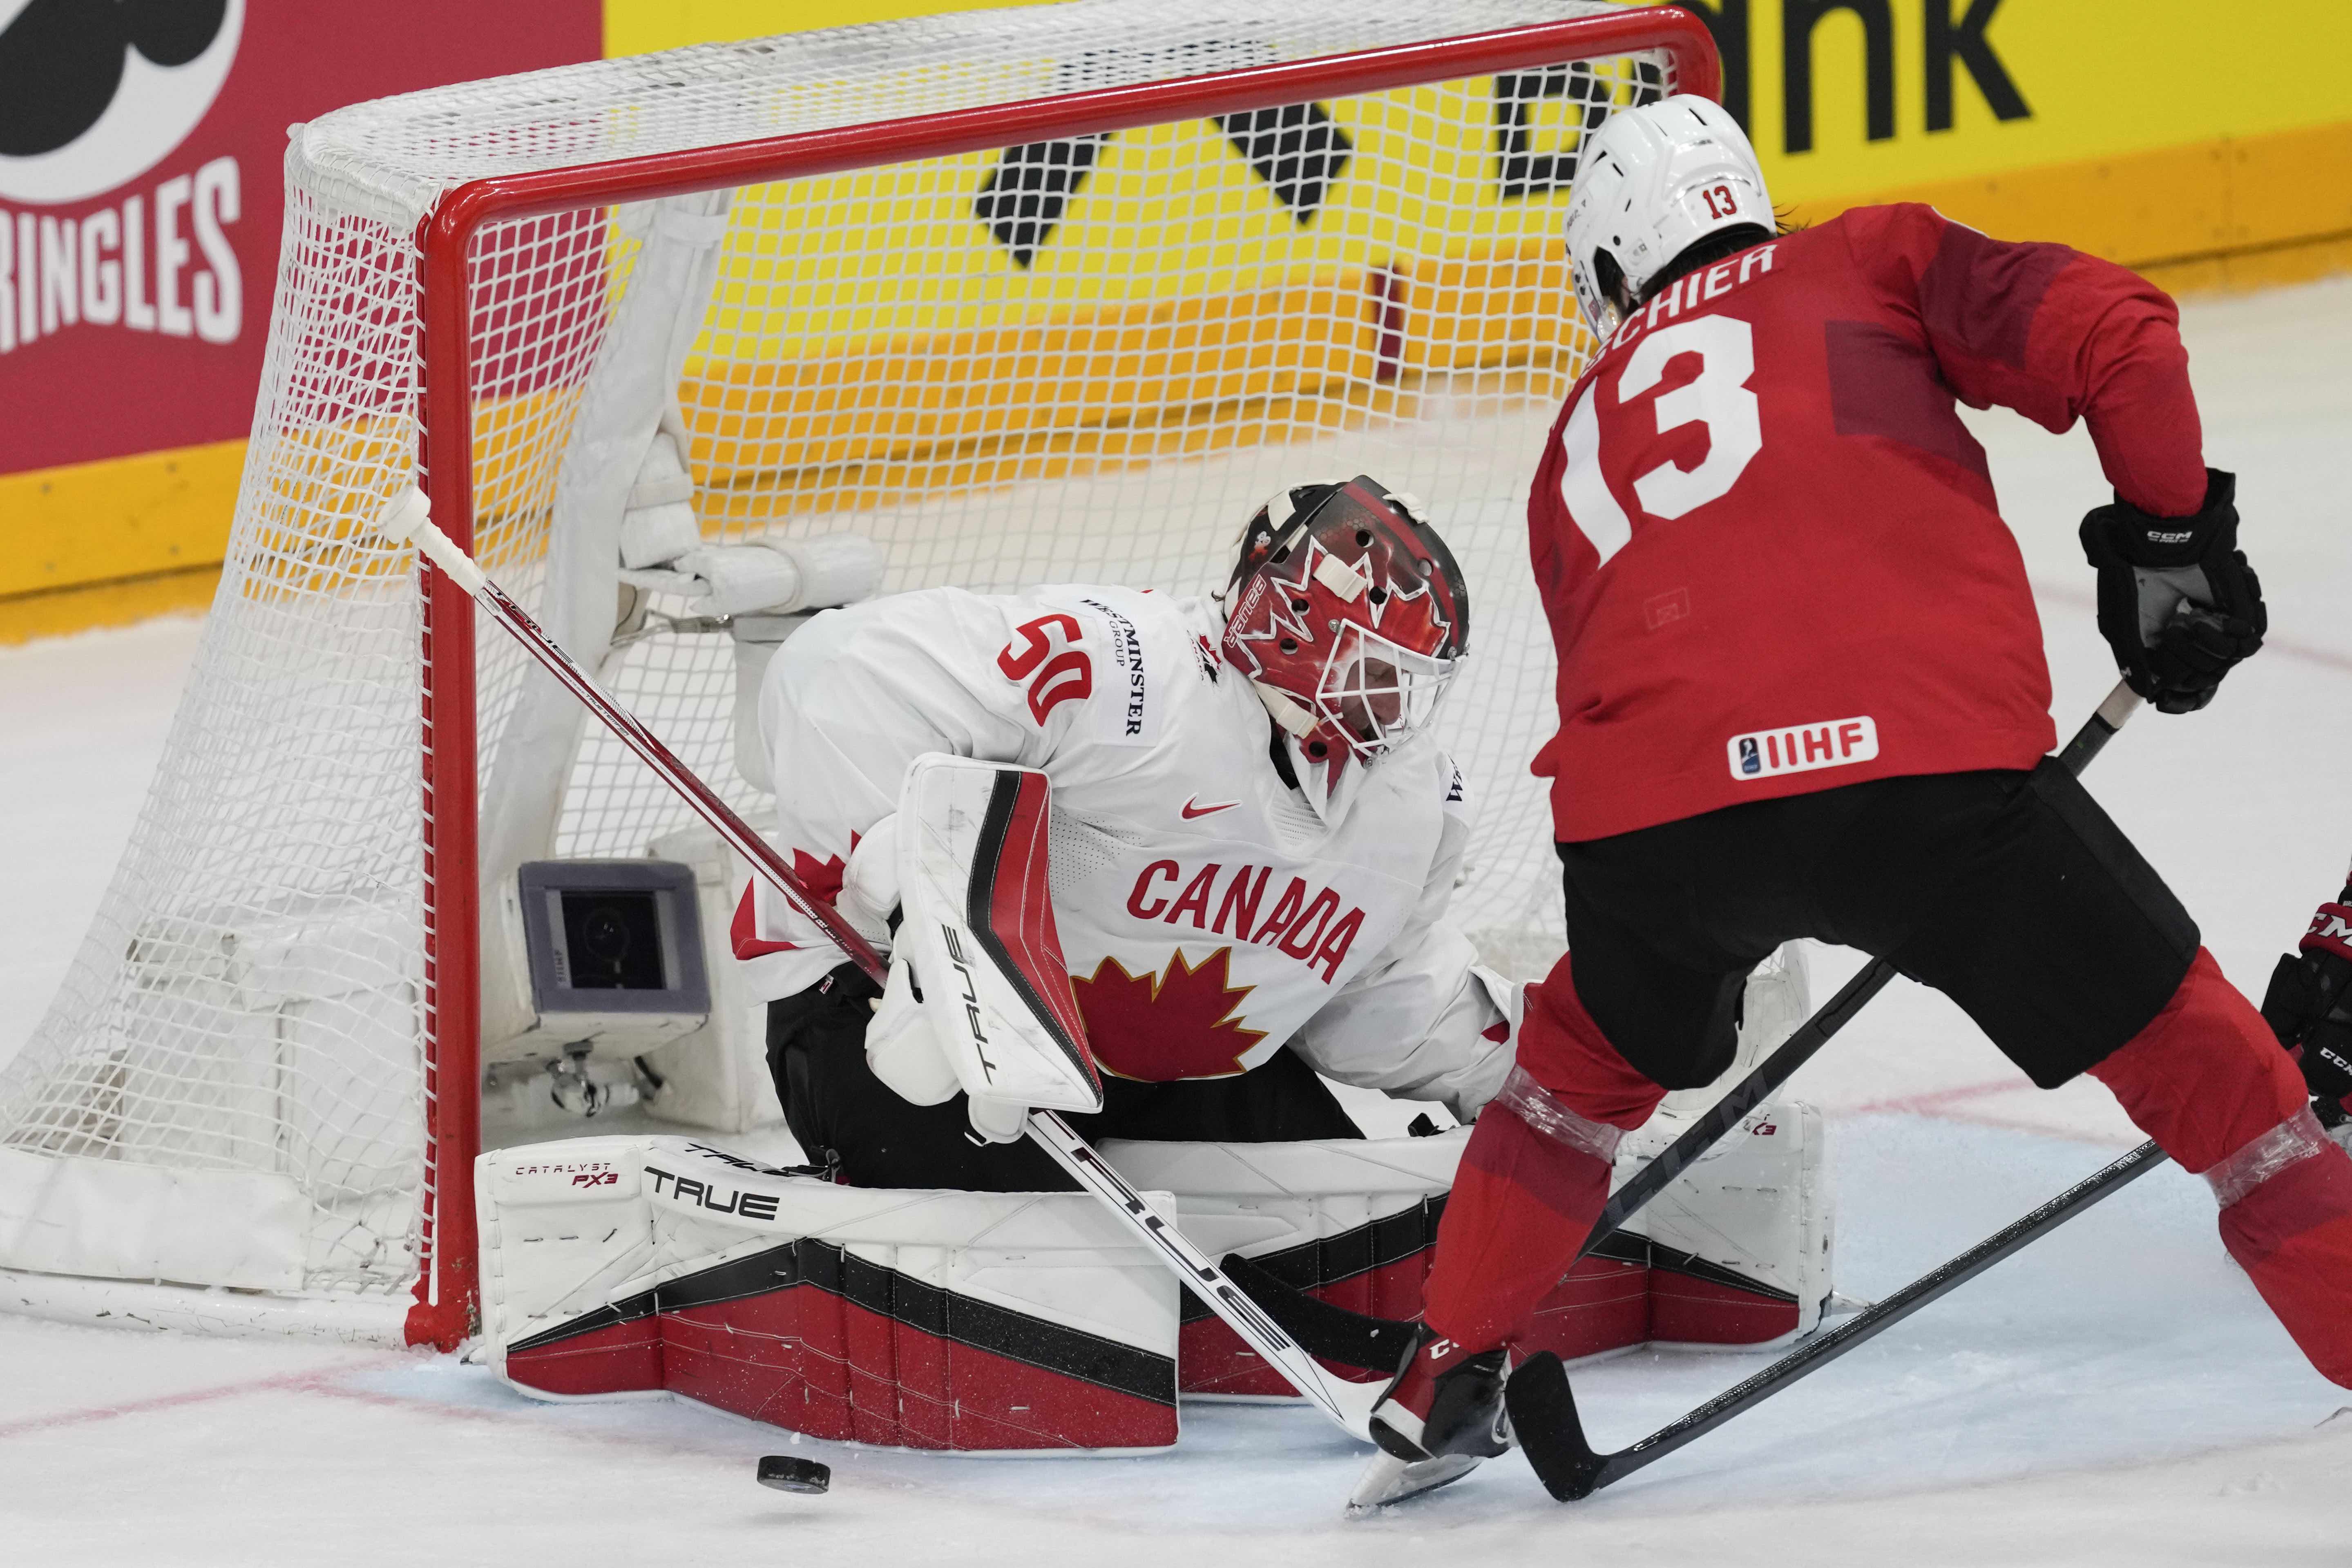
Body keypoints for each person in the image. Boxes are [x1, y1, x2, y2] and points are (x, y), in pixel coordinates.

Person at [1366, 93, 2352, 1471]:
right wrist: (2167, 538)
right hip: (1924, 788)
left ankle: (1441, 1364)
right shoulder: (1868, 257)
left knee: (1569, 1073)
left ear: (1605, 265)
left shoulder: (1572, 434)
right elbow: (2121, 333)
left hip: (1655, 831)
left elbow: (1618, 667)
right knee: (2216, 1081)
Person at [731, 476, 1521, 1189]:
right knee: (1034, 1262)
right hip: (882, 1008)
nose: (1396, 708)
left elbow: (1372, 983)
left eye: (1409, 683)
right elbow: (836, 671)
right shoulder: (1129, 673)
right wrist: (929, 940)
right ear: (1292, 624)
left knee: (1338, 1239)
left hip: (1151, 1062)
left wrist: (1531, 1080)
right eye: (1377, 670)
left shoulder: (1410, 799)